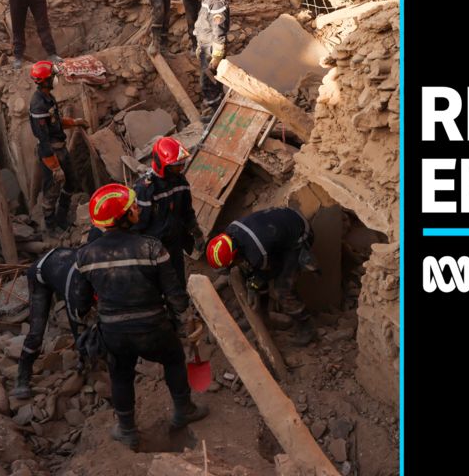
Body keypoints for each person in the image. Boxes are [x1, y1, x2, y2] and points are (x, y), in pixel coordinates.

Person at [76, 184, 208, 449]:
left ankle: (126, 429)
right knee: (173, 359)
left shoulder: (86, 255)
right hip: (153, 328)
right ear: (122, 217)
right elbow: (173, 292)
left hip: (113, 333)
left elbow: (81, 303)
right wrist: (186, 321)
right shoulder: (151, 247)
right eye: (132, 207)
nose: (138, 209)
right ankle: (184, 409)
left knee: (121, 374)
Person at [206, 207, 319, 346]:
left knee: (282, 289)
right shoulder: (230, 233)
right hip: (277, 228)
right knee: (254, 275)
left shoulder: (257, 252)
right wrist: (254, 283)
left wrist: (253, 286)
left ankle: (306, 327)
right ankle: (264, 318)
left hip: (299, 233)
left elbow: (271, 270)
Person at [11, 247, 94, 399]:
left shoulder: (98, 273)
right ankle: (22, 378)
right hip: (40, 275)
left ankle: (87, 364)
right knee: (36, 332)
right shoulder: (76, 286)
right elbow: (77, 322)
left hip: (61, 265)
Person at [132, 137, 203, 288]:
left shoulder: (180, 182)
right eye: (176, 165)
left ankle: (180, 309)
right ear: (161, 165)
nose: (181, 168)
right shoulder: (145, 190)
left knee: (177, 281)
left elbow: (187, 211)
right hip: (153, 248)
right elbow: (137, 226)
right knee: (156, 284)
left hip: (175, 243)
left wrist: (196, 233)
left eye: (182, 164)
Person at [28, 60, 88, 230]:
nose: (56, 78)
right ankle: (51, 227)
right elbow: (43, 139)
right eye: (53, 76)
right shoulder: (38, 104)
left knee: (71, 182)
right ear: (45, 80)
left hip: (61, 149)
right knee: (51, 191)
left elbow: (55, 122)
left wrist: (75, 122)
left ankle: (62, 217)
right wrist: (55, 167)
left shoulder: (48, 98)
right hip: (51, 153)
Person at [192, 0, 228, 117]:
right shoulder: (208, 0)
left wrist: (217, 57)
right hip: (205, 49)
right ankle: (216, 112)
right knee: (209, 84)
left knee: (210, 86)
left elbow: (219, 32)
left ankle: (216, 116)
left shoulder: (217, 4)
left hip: (211, 52)